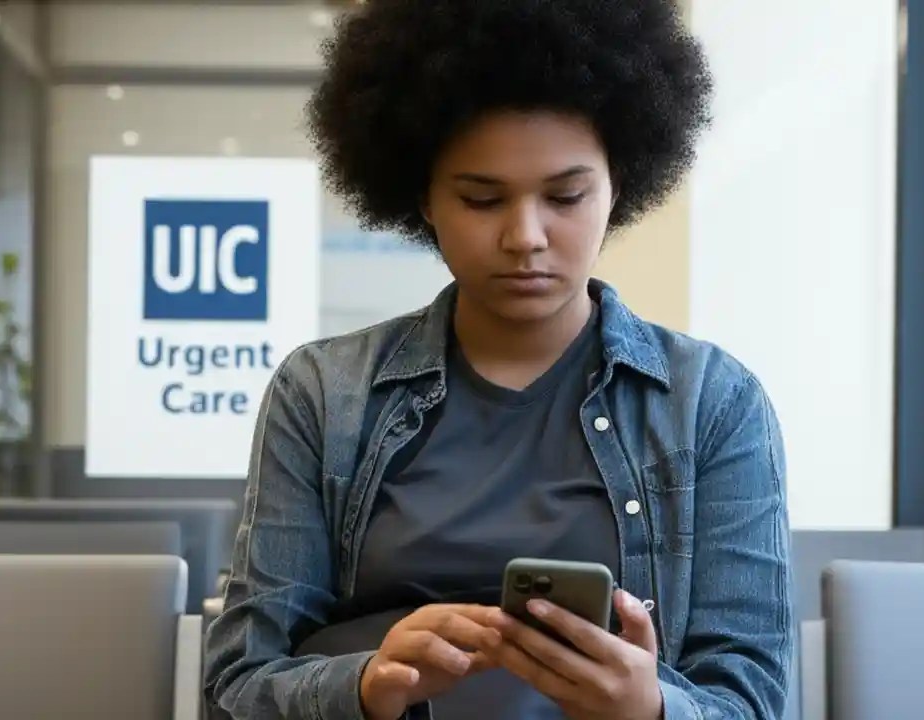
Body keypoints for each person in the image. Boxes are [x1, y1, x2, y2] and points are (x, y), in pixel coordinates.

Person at [204, 1, 793, 718]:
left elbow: (755, 700)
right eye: (481, 199)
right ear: (422, 198)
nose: (525, 236)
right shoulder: (324, 395)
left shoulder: (711, 404)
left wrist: (653, 710)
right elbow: (237, 688)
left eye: (566, 196)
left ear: (620, 188)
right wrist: (365, 686)